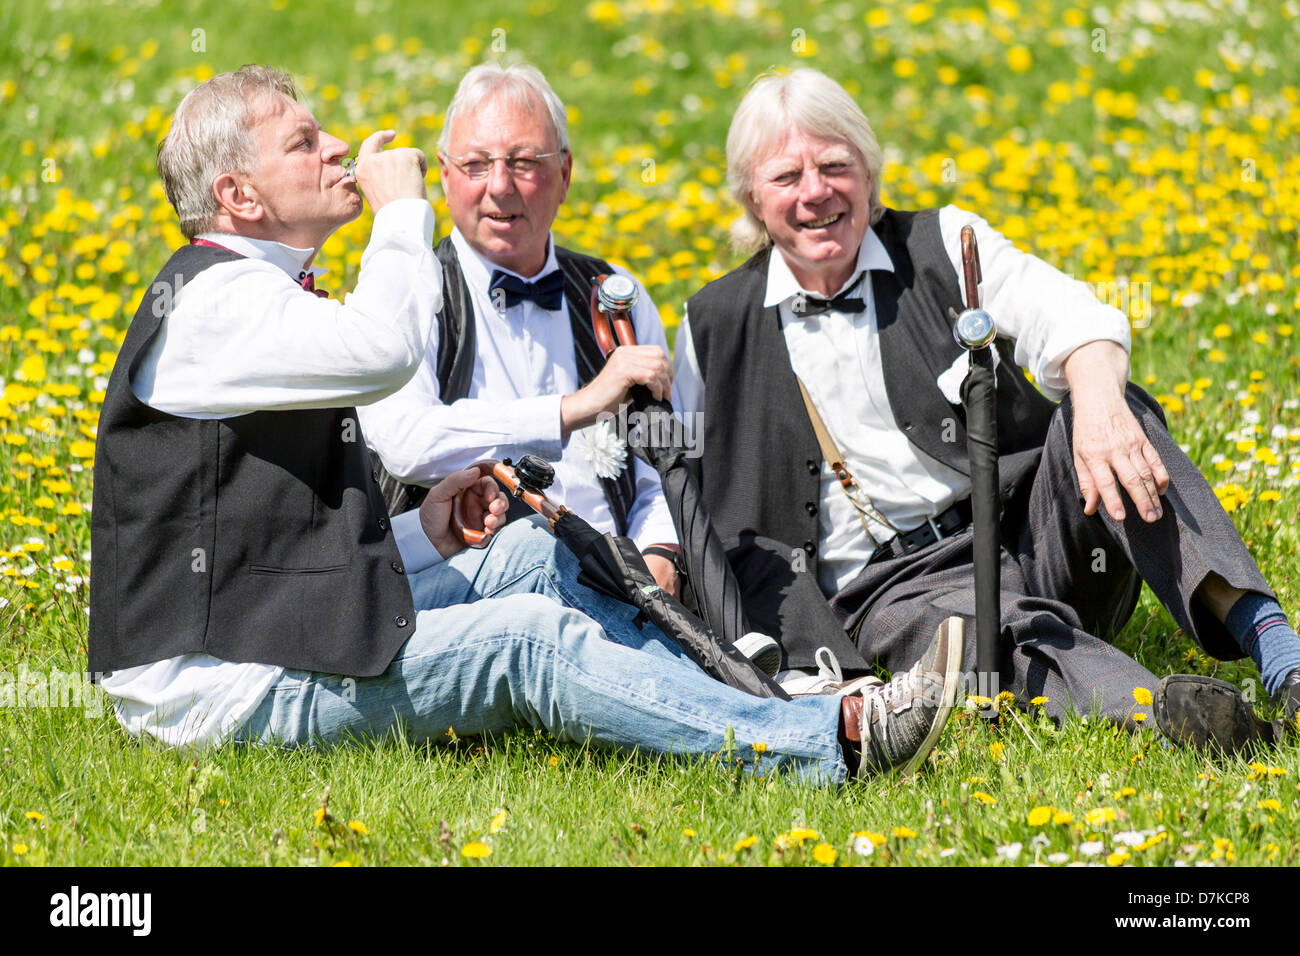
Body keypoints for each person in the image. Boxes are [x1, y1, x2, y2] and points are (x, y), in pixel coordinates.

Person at [87, 64, 964, 785]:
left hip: (273, 626)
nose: (341, 147)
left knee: (529, 555)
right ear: (238, 193)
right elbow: (383, 358)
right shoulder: (215, 304)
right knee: (522, 642)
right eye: (304, 142)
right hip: (216, 683)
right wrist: (399, 214)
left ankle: (752, 701)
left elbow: (273, 529)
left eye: (324, 133)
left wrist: (423, 533)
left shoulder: (263, 296)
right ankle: (827, 746)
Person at [672, 67, 1300, 753]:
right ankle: (1179, 720)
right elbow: (677, 495)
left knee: (1119, 414)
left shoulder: (946, 243)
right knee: (984, 632)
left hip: (1034, 532)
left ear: (870, 171)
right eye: (787, 177)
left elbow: (1073, 317)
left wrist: (1095, 406)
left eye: (834, 165)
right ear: (751, 199)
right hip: (896, 591)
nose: (816, 192)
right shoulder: (711, 327)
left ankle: (1280, 655)